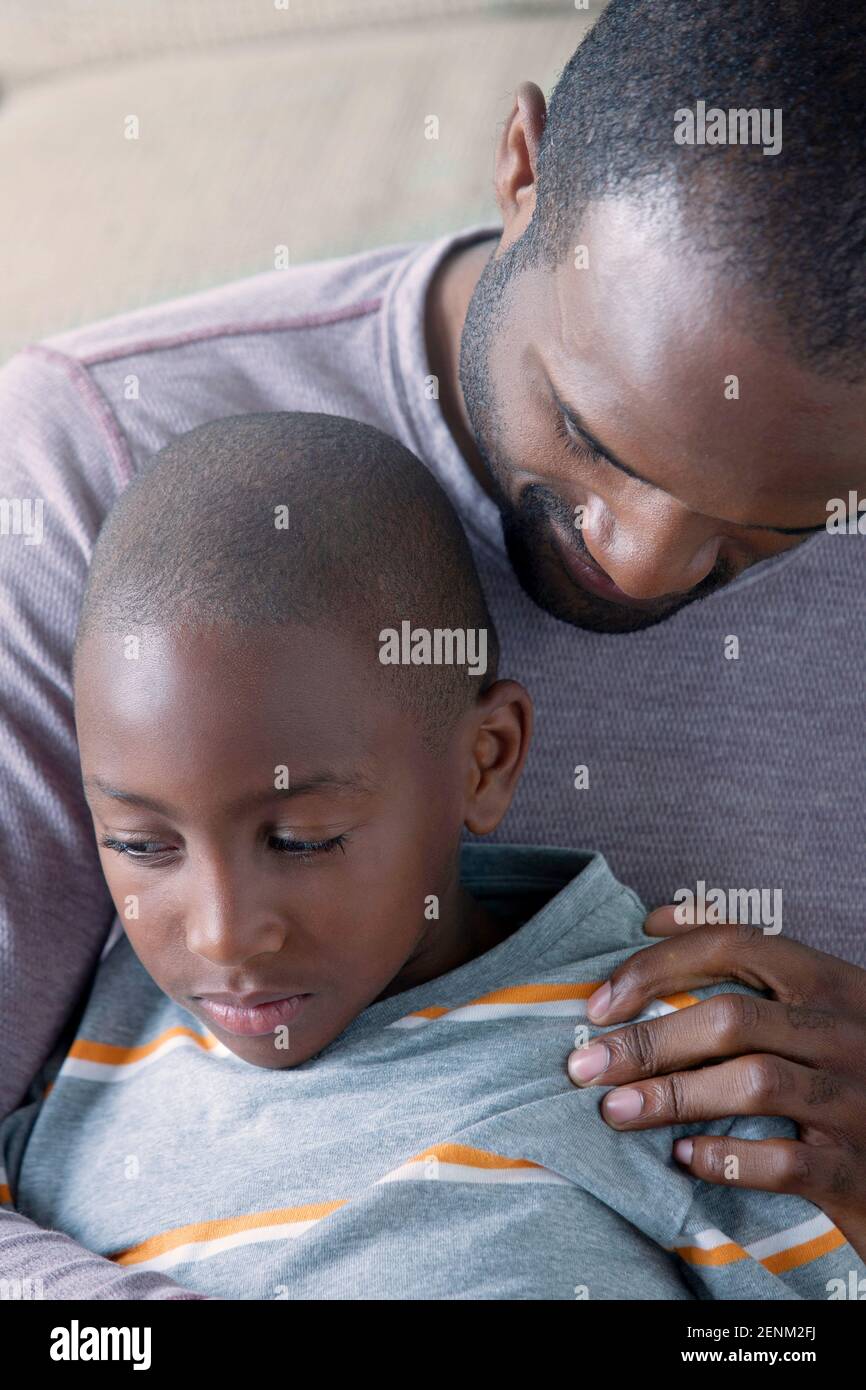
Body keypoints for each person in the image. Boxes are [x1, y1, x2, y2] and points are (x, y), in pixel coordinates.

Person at [1, 0, 865, 1293]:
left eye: (770, 531)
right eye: (593, 438)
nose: (639, 561)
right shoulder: (86, 471)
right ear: (519, 167)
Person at [2, 411, 862, 1300]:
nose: (224, 937)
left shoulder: (679, 1060)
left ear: (484, 762)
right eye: (142, 845)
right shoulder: (105, 1045)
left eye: (304, 840)